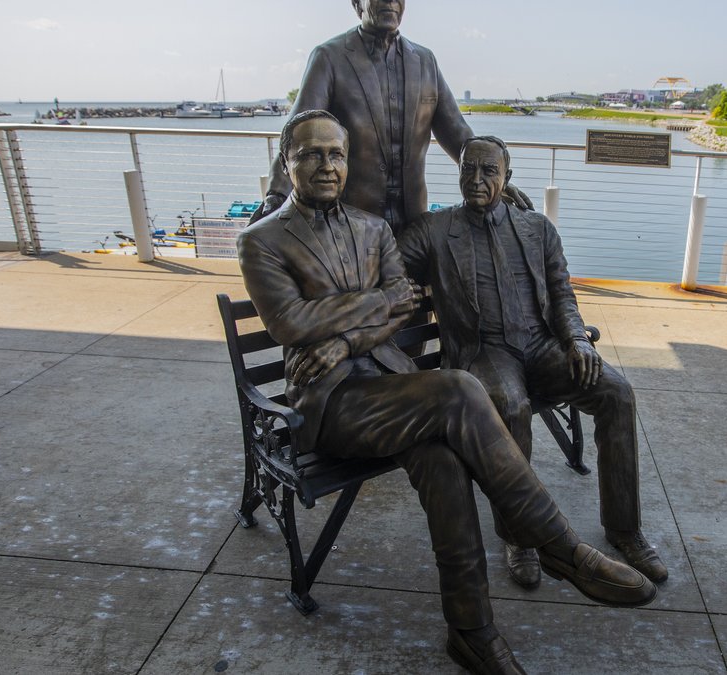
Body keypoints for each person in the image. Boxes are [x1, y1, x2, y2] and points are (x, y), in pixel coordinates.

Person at [237, 111, 655, 675]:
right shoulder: (260, 240)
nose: (327, 165)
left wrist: (343, 337)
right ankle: (560, 547)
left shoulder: (372, 229)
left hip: (393, 388)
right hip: (332, 404)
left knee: (444, 464)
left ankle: (471, 633)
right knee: (459, 389)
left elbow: (402, 304)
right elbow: (289, 323)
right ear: (286, 160)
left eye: (336, 154)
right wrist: (374, 306)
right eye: (311, 154)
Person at [396, 136, 670, 591]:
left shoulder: (536, 228)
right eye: (469, 170)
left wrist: (578, 341)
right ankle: (520, 536)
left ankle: (625, 530)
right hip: (485, 352)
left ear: (507, 176)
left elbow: (563, 294)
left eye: (489, 171)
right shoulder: (435, 230)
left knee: (616, 393)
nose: (477, 179)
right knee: (510, 404)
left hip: (542, 345)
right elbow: (387, 266)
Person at [253, 0, 529, 233]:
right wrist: (276, 196)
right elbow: (297, 135)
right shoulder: (330, 57)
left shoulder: (425, 61)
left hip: (413, 220)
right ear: (356, 3)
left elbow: (457, 132)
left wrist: (499, 181)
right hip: (351, 221)